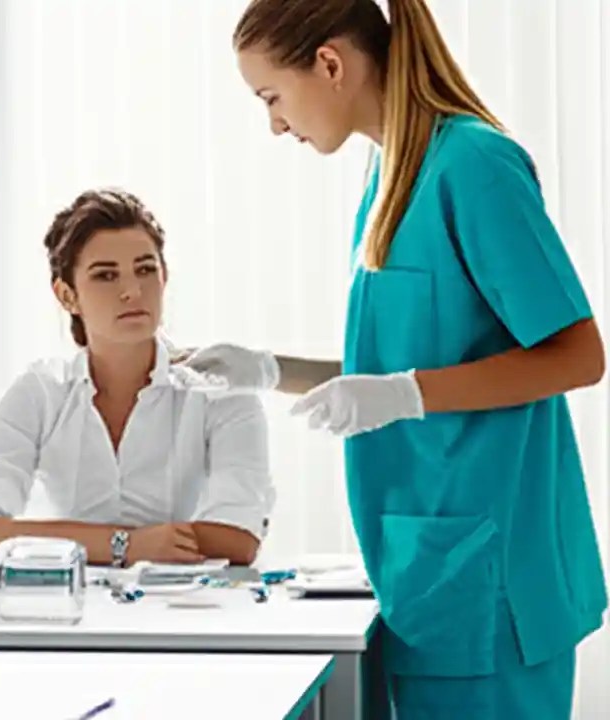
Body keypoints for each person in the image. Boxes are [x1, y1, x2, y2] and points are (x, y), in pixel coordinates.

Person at [183, 0, 607, 715]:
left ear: (330, 63)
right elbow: (394, 369)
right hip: (429, 568)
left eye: (272, 97)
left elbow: (576, 355)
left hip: (492, 573)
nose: (276, 124)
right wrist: (267, 368)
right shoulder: (390, 176)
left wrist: (404, 394)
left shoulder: (473, 166)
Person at [0, 189, 275, 567]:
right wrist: (126, 546)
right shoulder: (41, 391)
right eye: (106, 276)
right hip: (67, 610)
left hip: (189, 612)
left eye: (145, 269)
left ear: (164, 277)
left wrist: (57, 542)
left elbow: (238, 538)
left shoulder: (221, 385)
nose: (132, 291)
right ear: (67, 295)